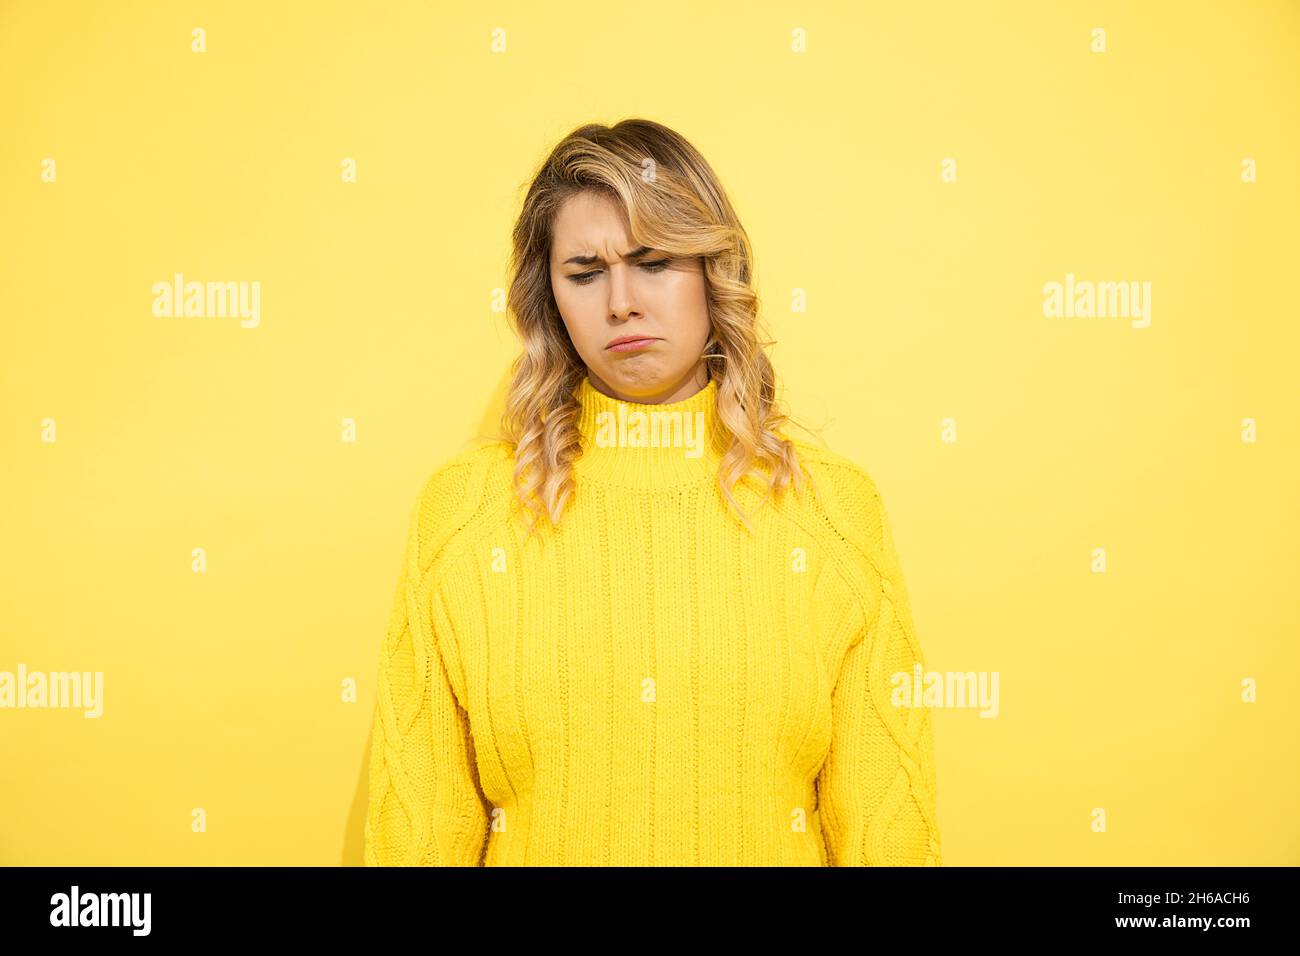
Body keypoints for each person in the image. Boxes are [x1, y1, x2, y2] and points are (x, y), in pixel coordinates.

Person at [363, 118, 941, 866]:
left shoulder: (831, 512)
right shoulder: (465, 514)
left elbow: (886, 840)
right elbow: (421, 837)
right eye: (585, 272)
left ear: (712, 271)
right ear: (552, 301)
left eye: (654, 260)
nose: (621, 303)